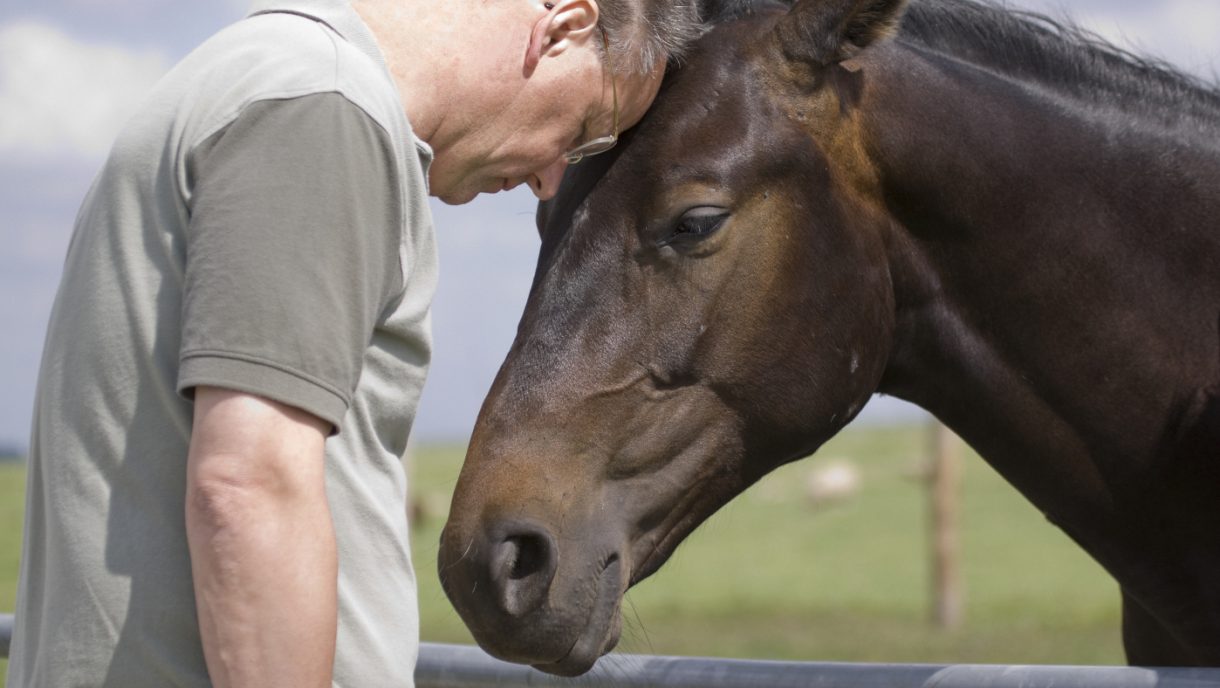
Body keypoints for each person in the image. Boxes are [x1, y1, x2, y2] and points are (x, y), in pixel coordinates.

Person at [5, 0, 701, 685]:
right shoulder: (325, 109)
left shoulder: (256, 75)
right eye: (583, 131)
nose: (551, 178)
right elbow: (250, 483)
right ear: (564, 26)